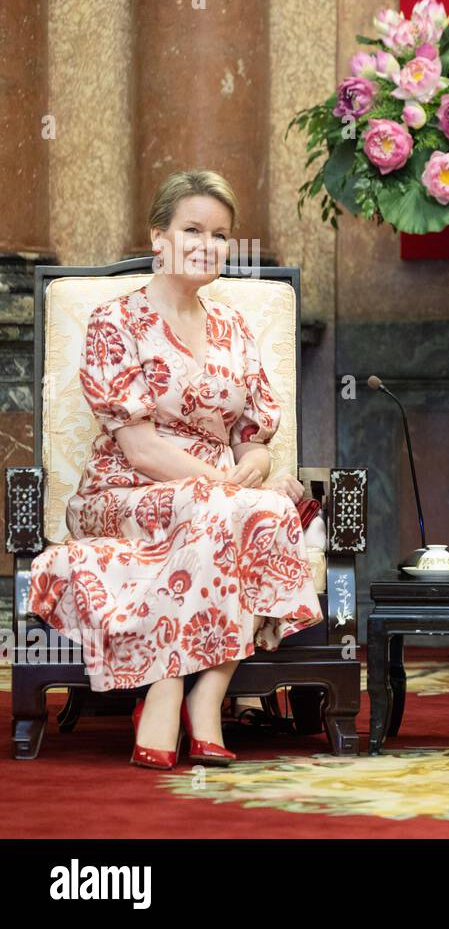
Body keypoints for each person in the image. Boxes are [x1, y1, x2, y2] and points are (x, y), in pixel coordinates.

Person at [27, 170, 321, 769]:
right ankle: (166, 692)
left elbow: (254, 440)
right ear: (158, 238)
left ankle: (204, 695)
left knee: (263, 508)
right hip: (126, 491)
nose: (207, 245)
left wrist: (254, 465)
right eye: (192, 229)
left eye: (219, 234)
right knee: (231, 509)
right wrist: (219, 482)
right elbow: (140, 449)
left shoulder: (236, 330)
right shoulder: (115, 323)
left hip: (214, 498)